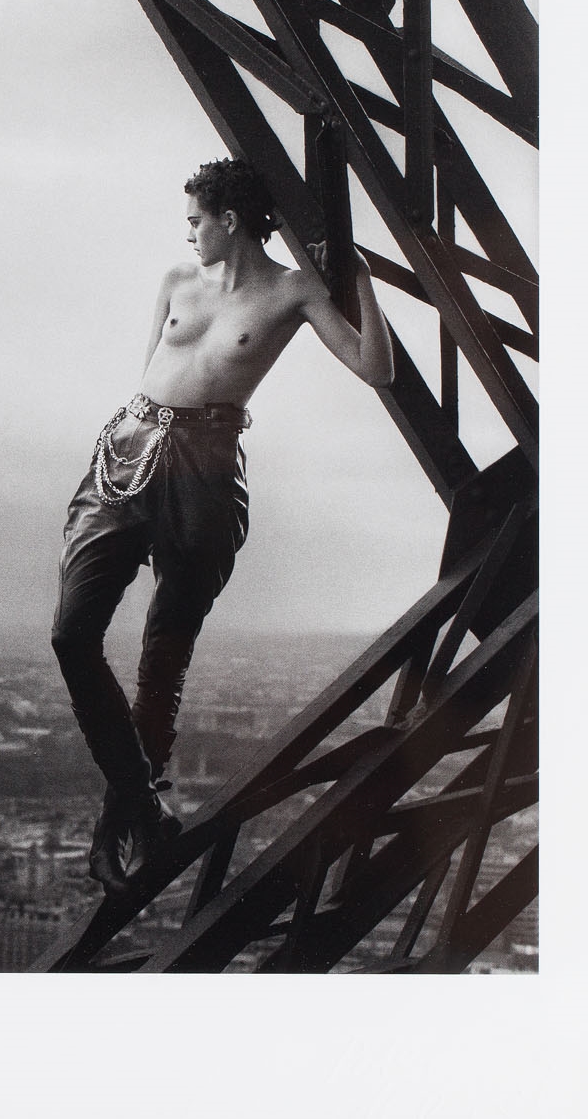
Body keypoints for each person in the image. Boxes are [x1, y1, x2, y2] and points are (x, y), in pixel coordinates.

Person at [50, 157, 395, 895]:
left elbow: (375, 368)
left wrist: (358, 277)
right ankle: (143, 806)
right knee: (70, 634)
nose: (190, 234)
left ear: (229, 220)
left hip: (207, 466)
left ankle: (129, 818)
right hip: (129, 450)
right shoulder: (177, 283)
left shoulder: (294, 291)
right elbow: (148, 373)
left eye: (196, 220)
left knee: (163, 655)